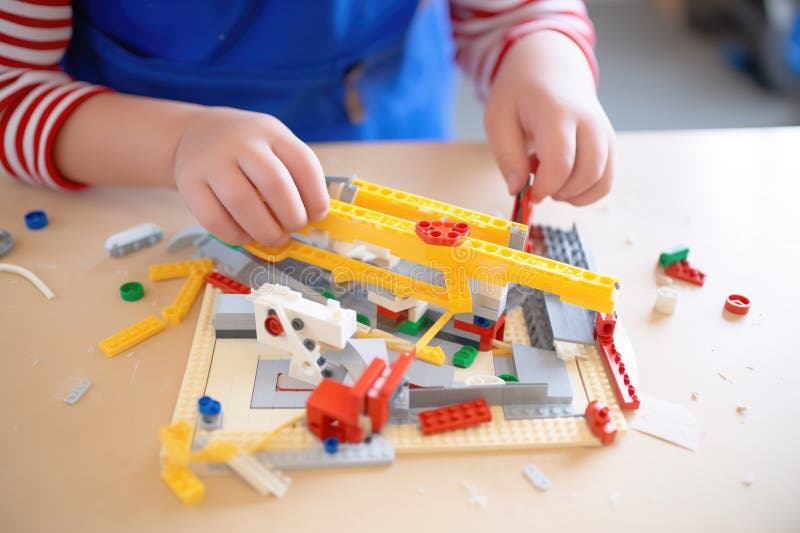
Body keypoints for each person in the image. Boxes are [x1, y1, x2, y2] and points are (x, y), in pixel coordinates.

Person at [0, 1, 615, 247]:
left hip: (394, 132)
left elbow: (506, 15)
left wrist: (544, 53)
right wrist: (178, 142)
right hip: (144, 189)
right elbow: (11, 90)